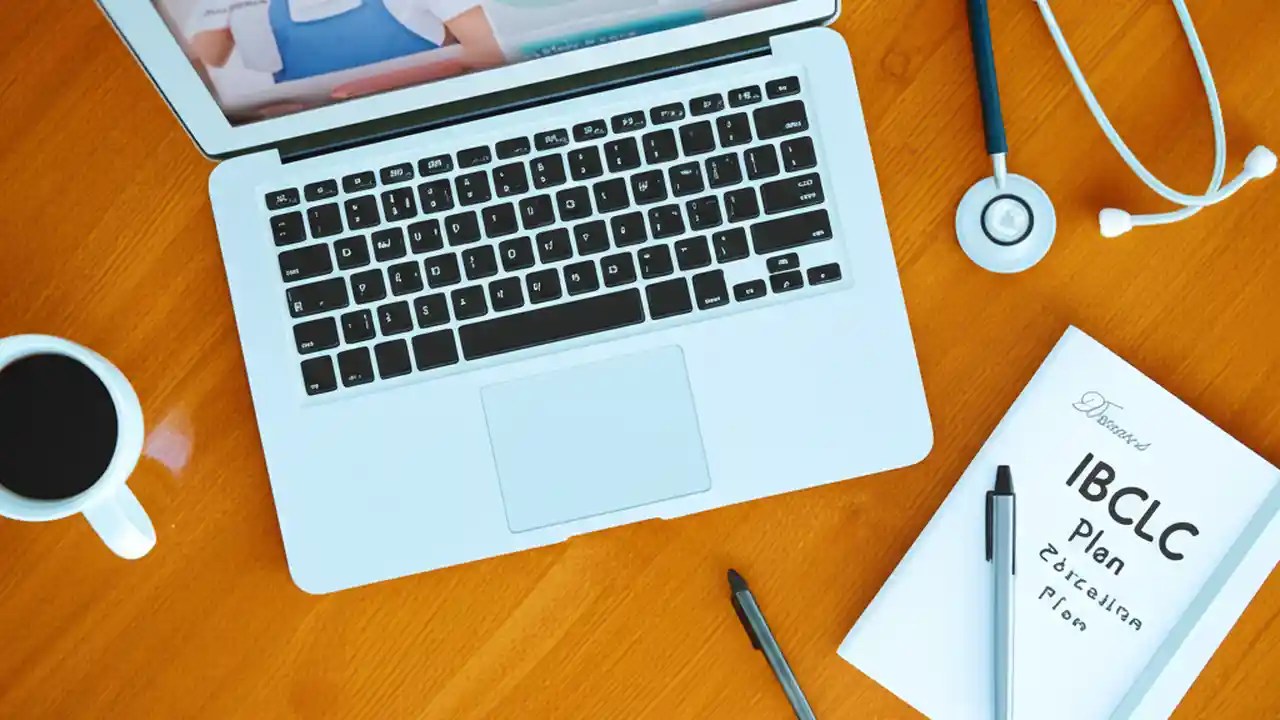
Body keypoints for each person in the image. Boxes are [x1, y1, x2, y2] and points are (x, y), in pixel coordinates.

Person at [186, 0, 504, 93]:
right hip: (324, 146)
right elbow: (209, 56)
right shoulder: (262, 11)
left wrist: (370, 86)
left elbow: (490, 54)